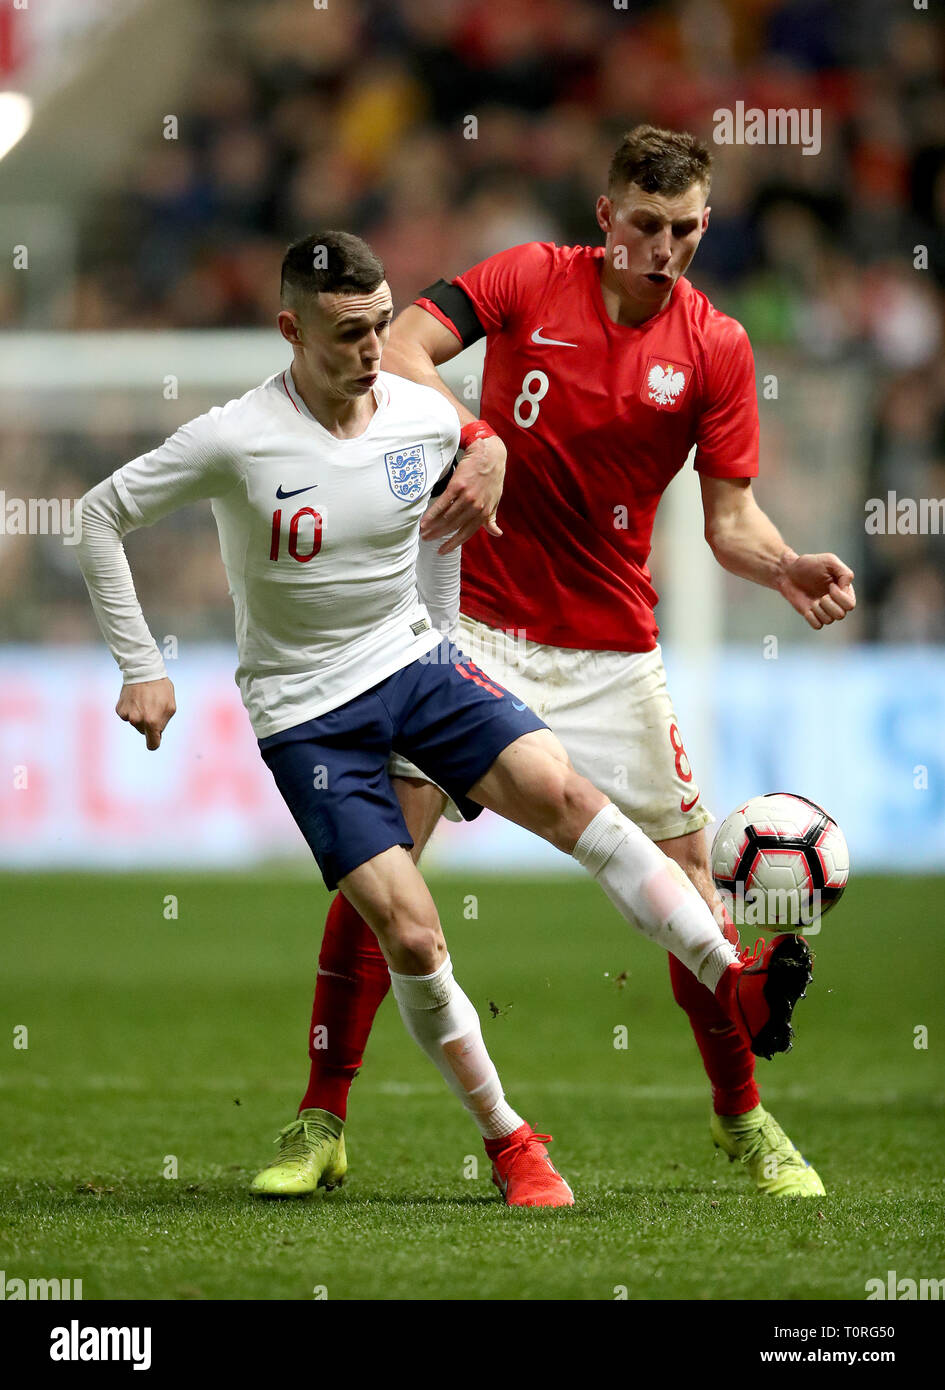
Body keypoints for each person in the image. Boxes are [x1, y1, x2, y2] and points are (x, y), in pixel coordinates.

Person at [75, 229, 813, 1208]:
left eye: (381, 326)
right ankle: (500, 1138)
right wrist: (142, 664)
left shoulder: (424, 414)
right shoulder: (235, 437)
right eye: (348, 332)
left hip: (435, 663)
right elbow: (96, 515)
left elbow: (454, 509)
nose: (374, 348)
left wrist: (444, 618)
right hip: (309, 712)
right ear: (291, 330)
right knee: (409, 929)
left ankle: (738, 988)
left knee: (572, 799)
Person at [268, 128, 856, 1202]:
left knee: (689, 895)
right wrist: (475, 434)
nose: (662, 249)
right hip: (472, 628)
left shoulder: (718, 347)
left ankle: (743, 1118)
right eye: (644, 225)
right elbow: (399, 348)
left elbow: (729, 520)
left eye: (683, 230)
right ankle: (322, 1117)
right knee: (380, 868)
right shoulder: (530, 279)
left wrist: (783, 568)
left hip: (614, 650)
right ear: (605, 217)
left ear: (704, 227)